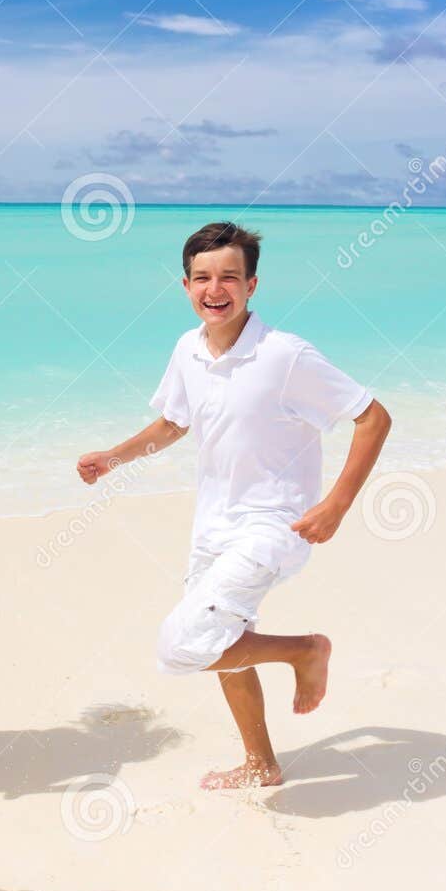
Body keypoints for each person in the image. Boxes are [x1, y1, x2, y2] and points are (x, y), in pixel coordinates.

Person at [76, 222, 392, 790]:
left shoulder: (285, 355)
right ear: (185, 284)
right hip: (213, 526)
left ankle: (304, 651)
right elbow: (175, 422)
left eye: (228, 277)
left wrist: (337, 505)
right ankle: (260, 764)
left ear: (251, 285)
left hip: (276, 525)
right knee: (228, 641)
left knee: (182, 647)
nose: (213, 289)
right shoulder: (187, 349)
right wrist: (113, 457)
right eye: (202, 278)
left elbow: (372, 417)